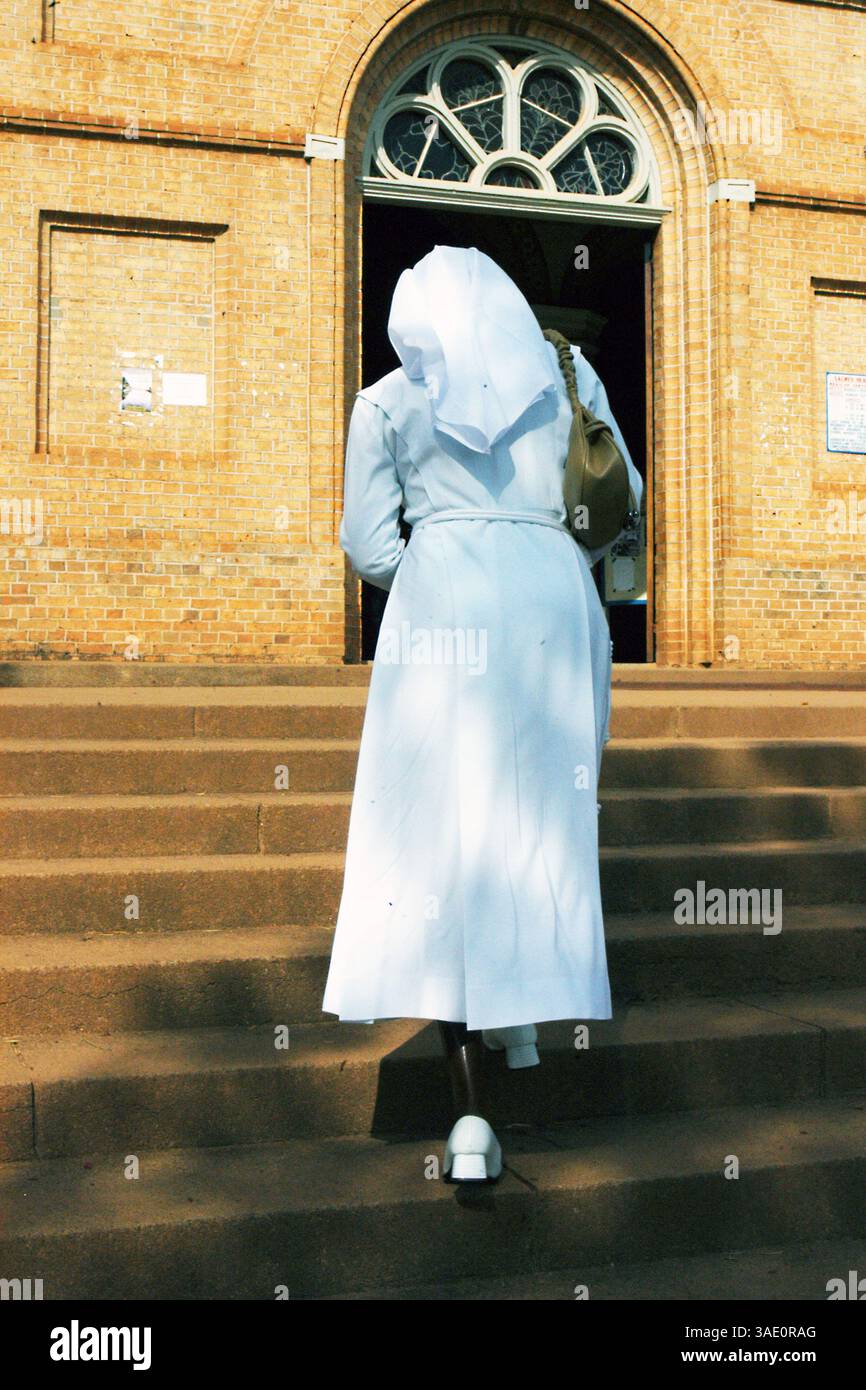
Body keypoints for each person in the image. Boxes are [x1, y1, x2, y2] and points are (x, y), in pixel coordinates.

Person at [322, 244, 643, 1183]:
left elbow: (367, 544)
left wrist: (439, 561)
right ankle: (523, 1014)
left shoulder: (387, 398)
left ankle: (470, 1124)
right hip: (553, 603)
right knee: (538, 818)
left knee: (443, 835)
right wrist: (540, 554)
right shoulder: (568, 371)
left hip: (443, 613)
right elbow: (614, 507)